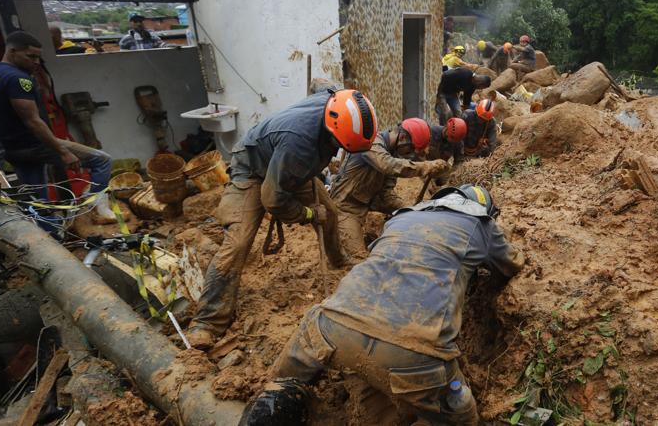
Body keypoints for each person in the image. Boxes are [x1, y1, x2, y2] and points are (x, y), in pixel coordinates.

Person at [239, 184, 524, 426]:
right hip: (414, 356)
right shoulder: (481, 226)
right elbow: (510, 264)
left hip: (329, 327)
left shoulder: (400, 220)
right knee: (461, 413)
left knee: (282, 386)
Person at [186, 89, 378, 350]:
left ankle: (338, 260)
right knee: (239, 242)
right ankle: (207, 321)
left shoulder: (334, 101)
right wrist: (309, 214)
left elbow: (321, 85)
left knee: (330, 212)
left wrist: (319, 208)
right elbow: (273, 199)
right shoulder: (298, 144)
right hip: (254, 169)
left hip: (291, 167)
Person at [0, 31, 115, 222]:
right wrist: (62, 151)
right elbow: (33, 121)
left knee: (36, 197)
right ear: (12, 51)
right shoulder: (19, 79)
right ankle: (94, 203)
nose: (36, 62)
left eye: (38, 57)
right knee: (102, 161)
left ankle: (52, 235)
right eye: (30, 56)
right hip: (35, 145)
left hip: (11, 147)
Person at [329, 118, 449, 255]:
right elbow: (388, 165)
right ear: (402, 137)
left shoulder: (392, 154)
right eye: (410, 149)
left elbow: (386, 195)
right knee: (356, 258)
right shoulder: (370, 142)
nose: (410, 154)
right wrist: (425, 167)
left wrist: (409, 210)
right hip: (345, 207)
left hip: (367, 201)